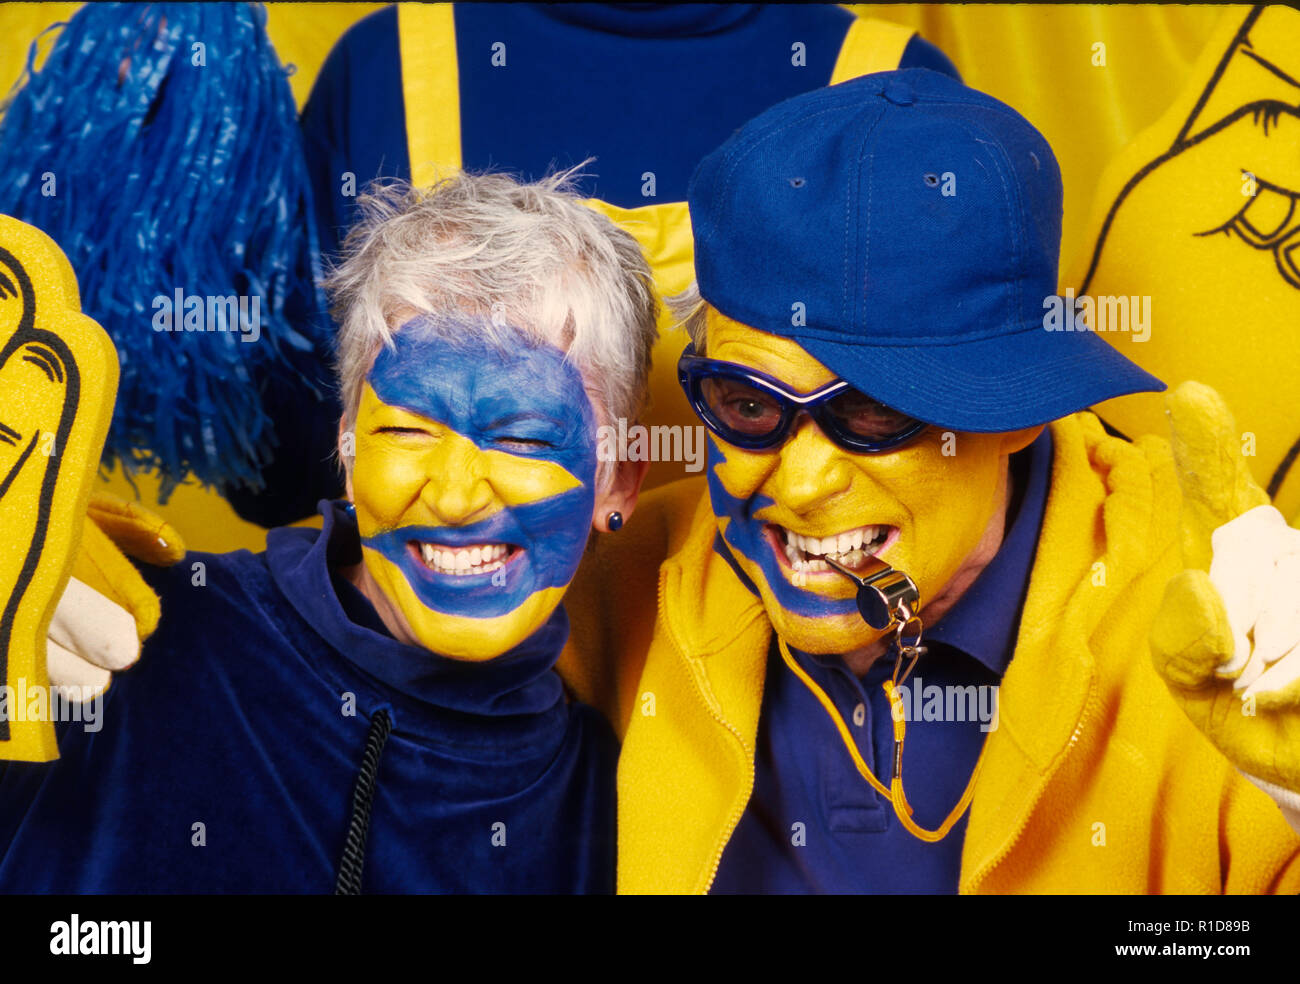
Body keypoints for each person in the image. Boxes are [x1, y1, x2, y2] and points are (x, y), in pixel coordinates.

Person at [562, 68, 1300, 893]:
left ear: (1018, 410)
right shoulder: (615, 580)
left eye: (876, 413)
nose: (801, 485)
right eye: (747, 403)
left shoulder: (1219, 625)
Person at [0, 169, 657, 893]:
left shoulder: (624, 802)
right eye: (407, 430)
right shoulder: (119, 631)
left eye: (527, 439)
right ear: (347, 453)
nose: (457, 496)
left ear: (617, 480)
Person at [231, 1, 961, 526]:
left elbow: (952, 478)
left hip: (776, 696)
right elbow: (282, 480)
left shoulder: (897, 90)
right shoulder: (387, 66)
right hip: (440, 699)